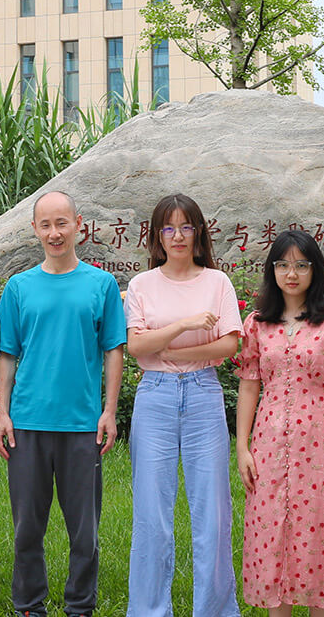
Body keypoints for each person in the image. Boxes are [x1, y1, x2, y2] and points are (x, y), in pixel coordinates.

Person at [0, 190, 128, 617]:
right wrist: (2, 413)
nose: (55, 233)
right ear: (35, 229)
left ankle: (80, 606)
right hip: (28, 423)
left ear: (78, 224)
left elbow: (113, 351)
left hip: (81, 425)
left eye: (62, 223)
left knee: (84, 532)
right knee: (26, 530)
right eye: (46, 225)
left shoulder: (101, 285)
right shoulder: (18, 288)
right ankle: (29, 606)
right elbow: (7, 356)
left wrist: (108, 410)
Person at [122, 194, 243, 617]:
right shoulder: (142, 285)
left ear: (198, 233)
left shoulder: (217, 282)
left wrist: (180, 353)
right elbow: (137, 347)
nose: (177, 236)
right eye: (168, 228)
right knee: (152, 514)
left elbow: (230, 343)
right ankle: (150, 610)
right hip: (154, 397)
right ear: (157, 235)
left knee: (212, 512)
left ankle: (214, 610)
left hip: (203, 394)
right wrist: (186, 326)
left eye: (186, 227)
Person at [234, 231, 324, 617]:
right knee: (270, 537)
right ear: (272, 270)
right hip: (268, 448)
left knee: (316, 536)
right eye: (283, 264)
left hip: (319, 447)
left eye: (301, 265)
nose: (292, 273)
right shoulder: (257, 323)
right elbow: (249, 385)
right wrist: (242, 446)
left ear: (315, 270)